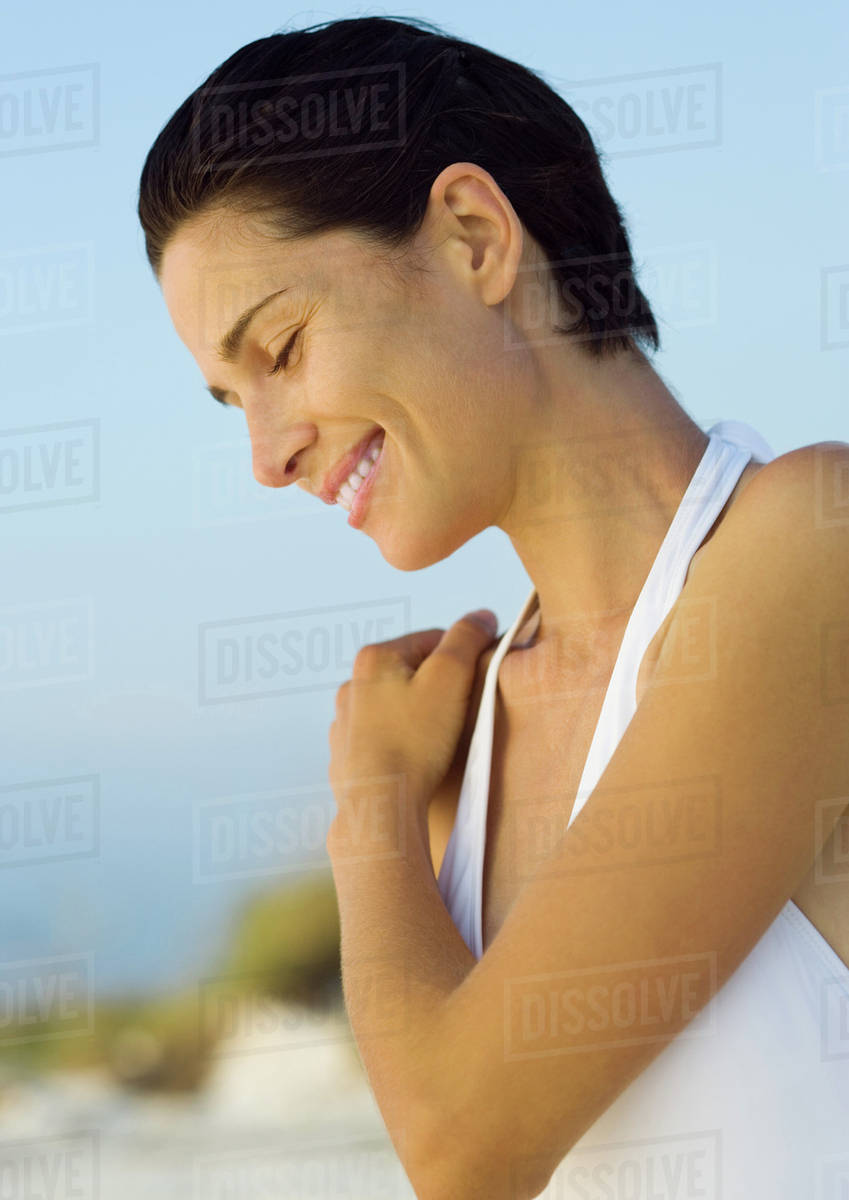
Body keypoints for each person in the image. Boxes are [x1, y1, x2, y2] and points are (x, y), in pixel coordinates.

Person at [138, 16, 849, 1197]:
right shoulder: (459, 749)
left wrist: (365, 804)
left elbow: (466, 1147)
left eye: (284, 346)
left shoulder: (811, 548)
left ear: (474, 237)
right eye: (231, 403)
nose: (265, 455)